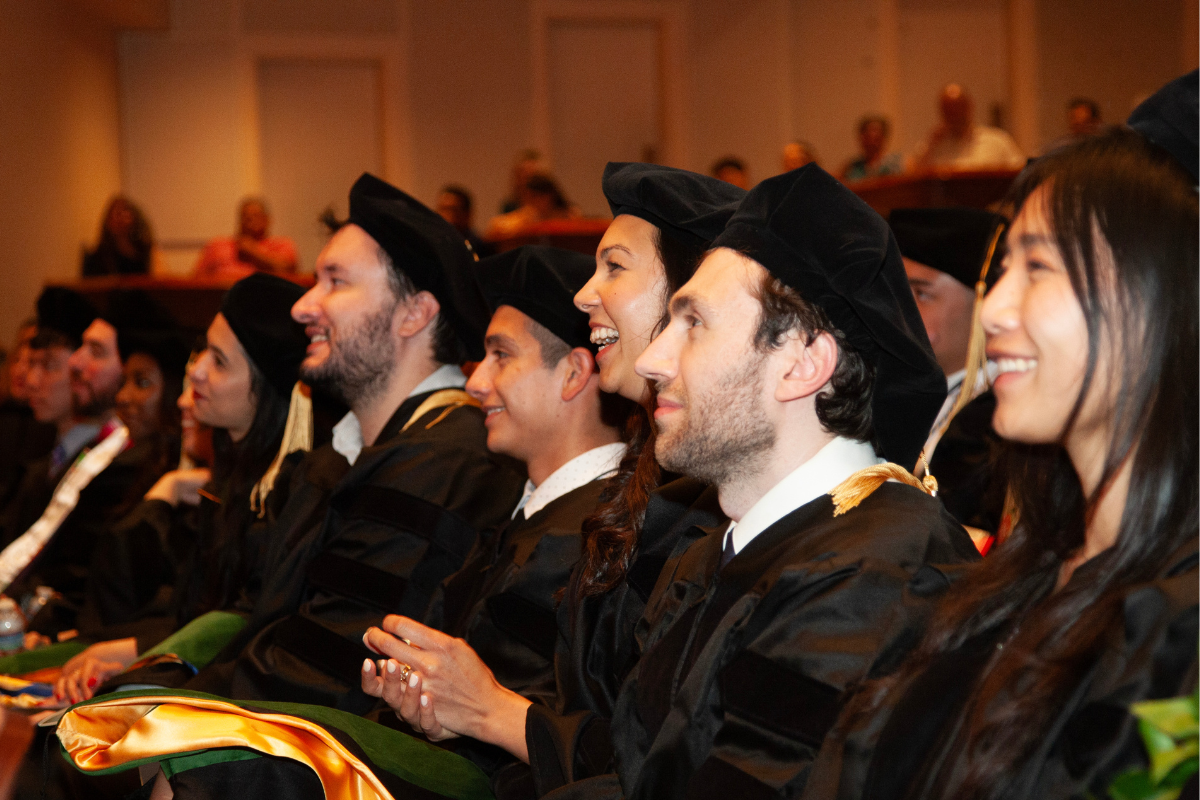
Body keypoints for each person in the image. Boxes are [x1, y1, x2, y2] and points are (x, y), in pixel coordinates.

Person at [53, 163, 743, 799]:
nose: (477, 383)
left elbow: (652, 749)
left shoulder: (649, 510)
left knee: (190, 768)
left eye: (336, 281)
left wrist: (491, 712)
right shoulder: (563, 506)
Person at [807, 127, 1198, 800]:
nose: (996, 309)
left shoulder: (1183, 639)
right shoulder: (1024, 573)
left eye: (1038, 268)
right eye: (1002, 271)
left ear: (1149, 299)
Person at [564, 163, 976, 800]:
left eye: (693, 323)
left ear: (802, 365)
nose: (651, 359)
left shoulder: (876, 579)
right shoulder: (731, 549)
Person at [166, 172, 526, 712]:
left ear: (414, 314)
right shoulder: (343, 456)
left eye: (336, 282)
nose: (303, 306)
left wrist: (169, 727)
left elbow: (328, 673)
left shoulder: (448, 463)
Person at [54, 274, 312, 703]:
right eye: (201, 353)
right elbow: (189, 615)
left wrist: (139, 667)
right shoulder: (234, 483)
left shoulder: (294, 492)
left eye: (219, 360)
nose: (195, 373)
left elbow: (241, 628)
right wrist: (121, 653)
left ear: (266, 388)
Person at [889, 207, 1008, 541]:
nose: (902, 310)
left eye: (922, 293)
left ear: (981, 305)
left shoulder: (998, 421)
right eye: (899, 292)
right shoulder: (894, 391)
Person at [0, 319, 56, 510]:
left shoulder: (46, 423)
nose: (22, 371)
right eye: (18, 360)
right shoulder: (7, 418)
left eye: (32, 362)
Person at [913, 84, 1024, 171]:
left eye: (957, 108)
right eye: (948, 111)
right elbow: (914, 175)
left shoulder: (998, 141)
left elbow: (1022, 175)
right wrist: (931, 145)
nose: (954, 115)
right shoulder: (933, 147)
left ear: (969, 107)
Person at [193, 197, 299, 280]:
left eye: (256, 216)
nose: (250, 221)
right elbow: (196, 280)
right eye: (246, 217)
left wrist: (253, 252)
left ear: (267, 219)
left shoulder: (282, 244)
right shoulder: (218, 245)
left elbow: (288, 271)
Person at [81, 195, 161, 276]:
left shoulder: (145, 251)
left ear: (134, 217)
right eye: (115, 213)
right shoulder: (96, 258)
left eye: (124, 211)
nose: (120, 217)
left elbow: (159, 279)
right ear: (108, 221)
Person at [486, 173, 581, 241]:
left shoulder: (570, 214)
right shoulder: (528, 215)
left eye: (534, 197)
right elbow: (496, 225)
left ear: (549, 196)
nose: (530, 202)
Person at [436, 184, 495, 259]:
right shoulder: (434, 244)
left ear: (467, 214)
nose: (445, 215)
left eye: (453, 210)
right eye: (442, 209)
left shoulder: (479, 248)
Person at [841, 115, 903, 182]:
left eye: (876, 138)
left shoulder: (898, 163)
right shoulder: (852, 168)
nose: (871, 143)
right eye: (867, 137)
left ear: (883, 138)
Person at [501, 149, 552, 214]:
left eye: (532, 176)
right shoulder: (510, 206)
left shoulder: (555, 207)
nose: (526, 182)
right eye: (522, 175)